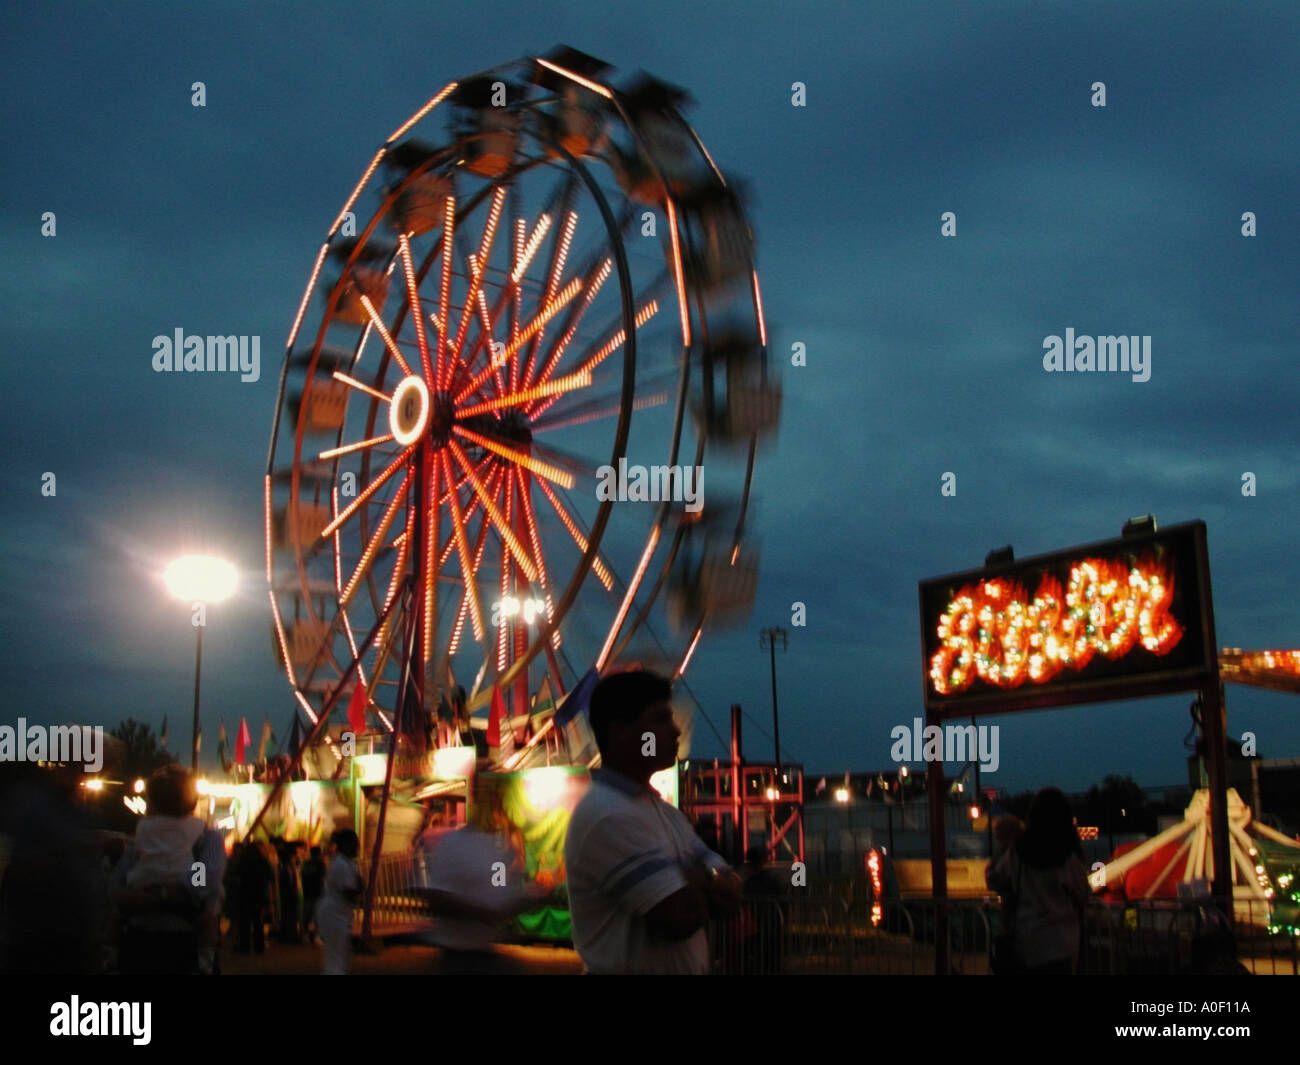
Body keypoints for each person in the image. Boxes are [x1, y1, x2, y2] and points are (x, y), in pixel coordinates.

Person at [564, 669, 742, 974]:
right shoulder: (608, 817)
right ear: (620, 730)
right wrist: (710, 880)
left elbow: (732, 890)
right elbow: (680, 917)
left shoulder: (664, 812)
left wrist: (693, 878)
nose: (675, 731)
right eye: (660, 720)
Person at [112, 765, 224, 974]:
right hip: (182, 939)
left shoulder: (143, 833)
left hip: (143, 938)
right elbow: (202, 881)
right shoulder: (203, 837)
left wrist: (149, 894)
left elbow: (120, 882)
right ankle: (205, 964)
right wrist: (176, 892)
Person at [986, 788, 1090, 974]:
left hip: (1027, 945)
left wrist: (1005, 846)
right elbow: (1082, 895)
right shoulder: (1068, 858)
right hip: (1062, 945)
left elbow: (994, 878)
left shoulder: (1016, 853)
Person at [318, 829, 362, 975]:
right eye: (356, 843)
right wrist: (361, 887)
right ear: (347, 845)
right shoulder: (341, 864)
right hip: (334, 915)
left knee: (339, 959)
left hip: (339, 914)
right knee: (336, 960)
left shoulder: (347, 863)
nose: (358, 847)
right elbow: (350, 892)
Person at [300, 846, 326, 945]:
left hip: (307, 893)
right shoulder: (320, 864)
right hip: (317, 892)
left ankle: (305, 936)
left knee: (307, 916)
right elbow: (323, 877)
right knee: (317, 916)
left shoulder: (306, 864)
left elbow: (302, 877)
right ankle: (316, 936)